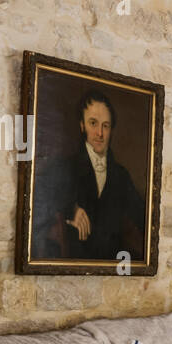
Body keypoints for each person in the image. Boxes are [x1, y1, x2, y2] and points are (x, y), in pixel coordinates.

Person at [44, 90, 144, 261]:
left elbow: (142, 217)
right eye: (93, 123)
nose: (100, 133)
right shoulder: (65, 166)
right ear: (82, 125)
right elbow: (42, 201)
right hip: (72, 265)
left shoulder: (121, 175)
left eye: (105, 125)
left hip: (113, 267)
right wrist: (71, 209)